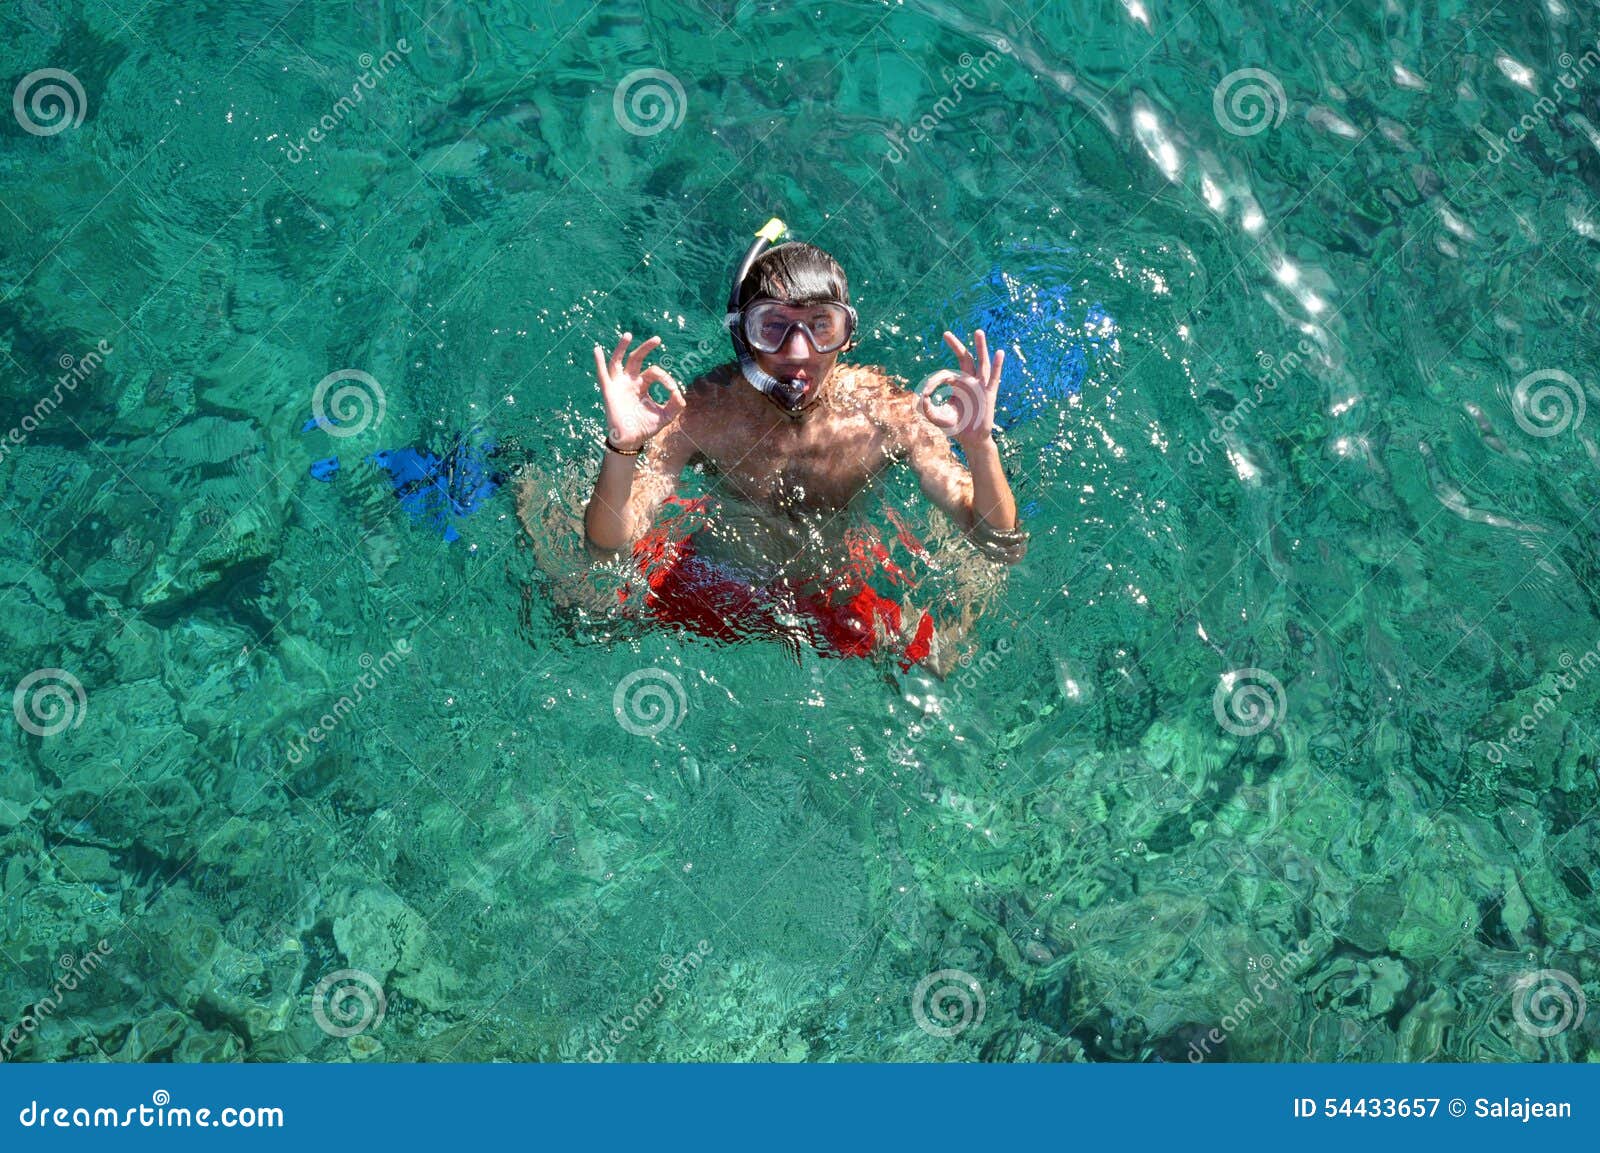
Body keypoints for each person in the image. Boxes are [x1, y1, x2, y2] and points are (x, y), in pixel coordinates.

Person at [562, 219, 1026, 667]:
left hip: (830, 594)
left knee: (944, 660)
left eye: (821, 325)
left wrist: (980, 444)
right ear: (743, 336)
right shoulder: (702, 413)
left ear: (847, 337)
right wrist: (621, 448)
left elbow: (1000, 544)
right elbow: (610, 548)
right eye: (773, 326)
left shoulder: (888, 414)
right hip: (721, 580)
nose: (798, 351)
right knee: (582, 607)